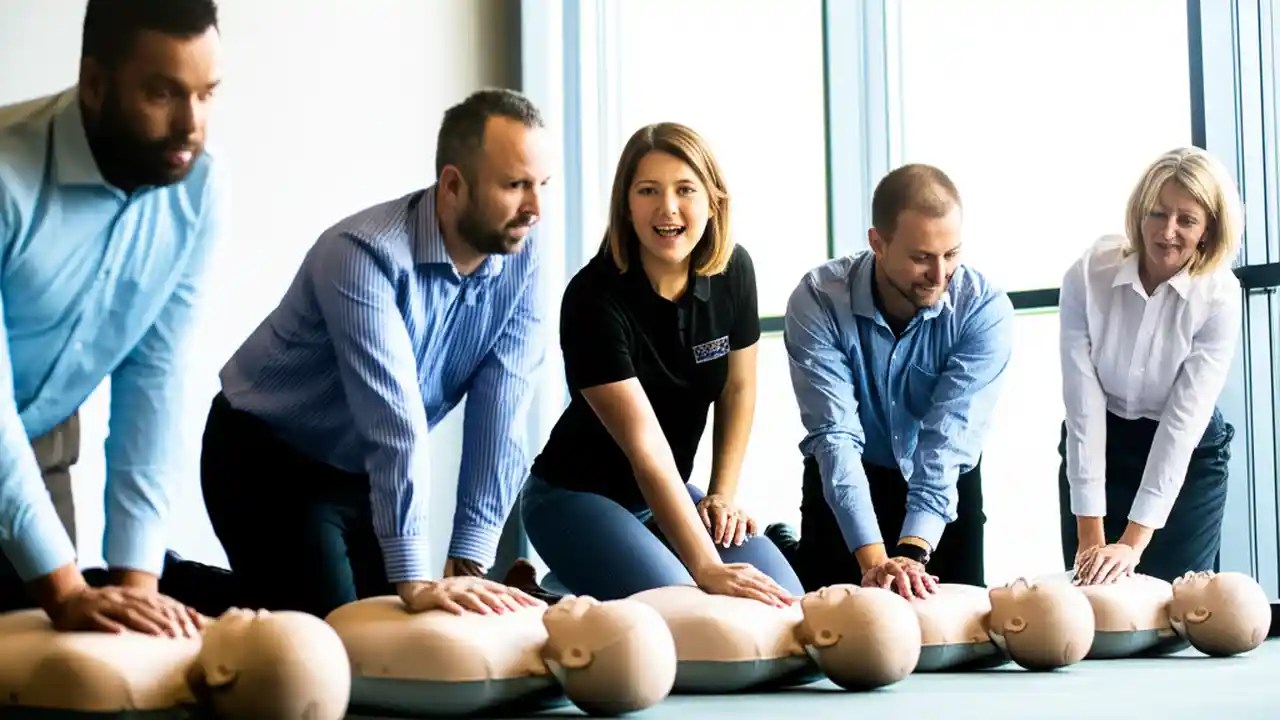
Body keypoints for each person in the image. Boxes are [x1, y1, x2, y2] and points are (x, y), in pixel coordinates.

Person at [201, 88, 550, 619]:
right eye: (515, 185)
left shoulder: (522, 253)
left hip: (363, 475)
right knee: (334, 636)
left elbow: (502, 408)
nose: (535, 208)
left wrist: (468, 559)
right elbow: (394, 420)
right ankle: (168, 586)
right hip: (267, 460)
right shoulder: (362, 253)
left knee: (397, 634)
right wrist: (415, 577)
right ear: (453, 185)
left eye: (542, 184)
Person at [0, 0, 229, 635]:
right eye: (163, 93)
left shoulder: (199, 190)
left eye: (206, 94)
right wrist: (67, 590)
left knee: (66, 662)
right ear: (95, 84)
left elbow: (154, 383)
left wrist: (138, 591)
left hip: (40, 450)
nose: (190, 125)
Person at [519, 122, 801, 607]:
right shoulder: (592, 298)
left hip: (664, 498)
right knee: (691, 612)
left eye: (685, 190)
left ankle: (581, 581)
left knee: (785, 604)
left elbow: (737, 389)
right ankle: (543, 594)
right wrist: (707, 567)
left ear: (713, 201)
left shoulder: (734, 271)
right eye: (648, 190)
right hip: (573, 496)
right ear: (626, 206)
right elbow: (645, 448)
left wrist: (721, 495)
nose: (667, 207)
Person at [770, 163, 1013, 598]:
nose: (940, 275)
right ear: (877, 244)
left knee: (956, 624)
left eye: (951, 254)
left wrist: (912, 554)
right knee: (835, 621)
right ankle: (787, 547)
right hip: (848, 473)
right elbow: (836, 436)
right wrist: (876, 564)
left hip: (941, 480)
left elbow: (946, 442)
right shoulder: (818, 300)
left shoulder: (984, 309)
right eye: (921, 258)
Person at [1059, 147, 1243, 586]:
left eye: (1187, 220)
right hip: (1102, 441)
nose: (1167, 231)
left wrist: (1132, 543)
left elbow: (1182, 424)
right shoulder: (1089, 274)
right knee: (1094, 599)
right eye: (1158, 213)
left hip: (1187, 454)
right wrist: (1091, 536)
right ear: (1139, 211)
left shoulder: (1219, 296)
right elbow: (1082, 409)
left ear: (1209, 228)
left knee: (1175, 604)